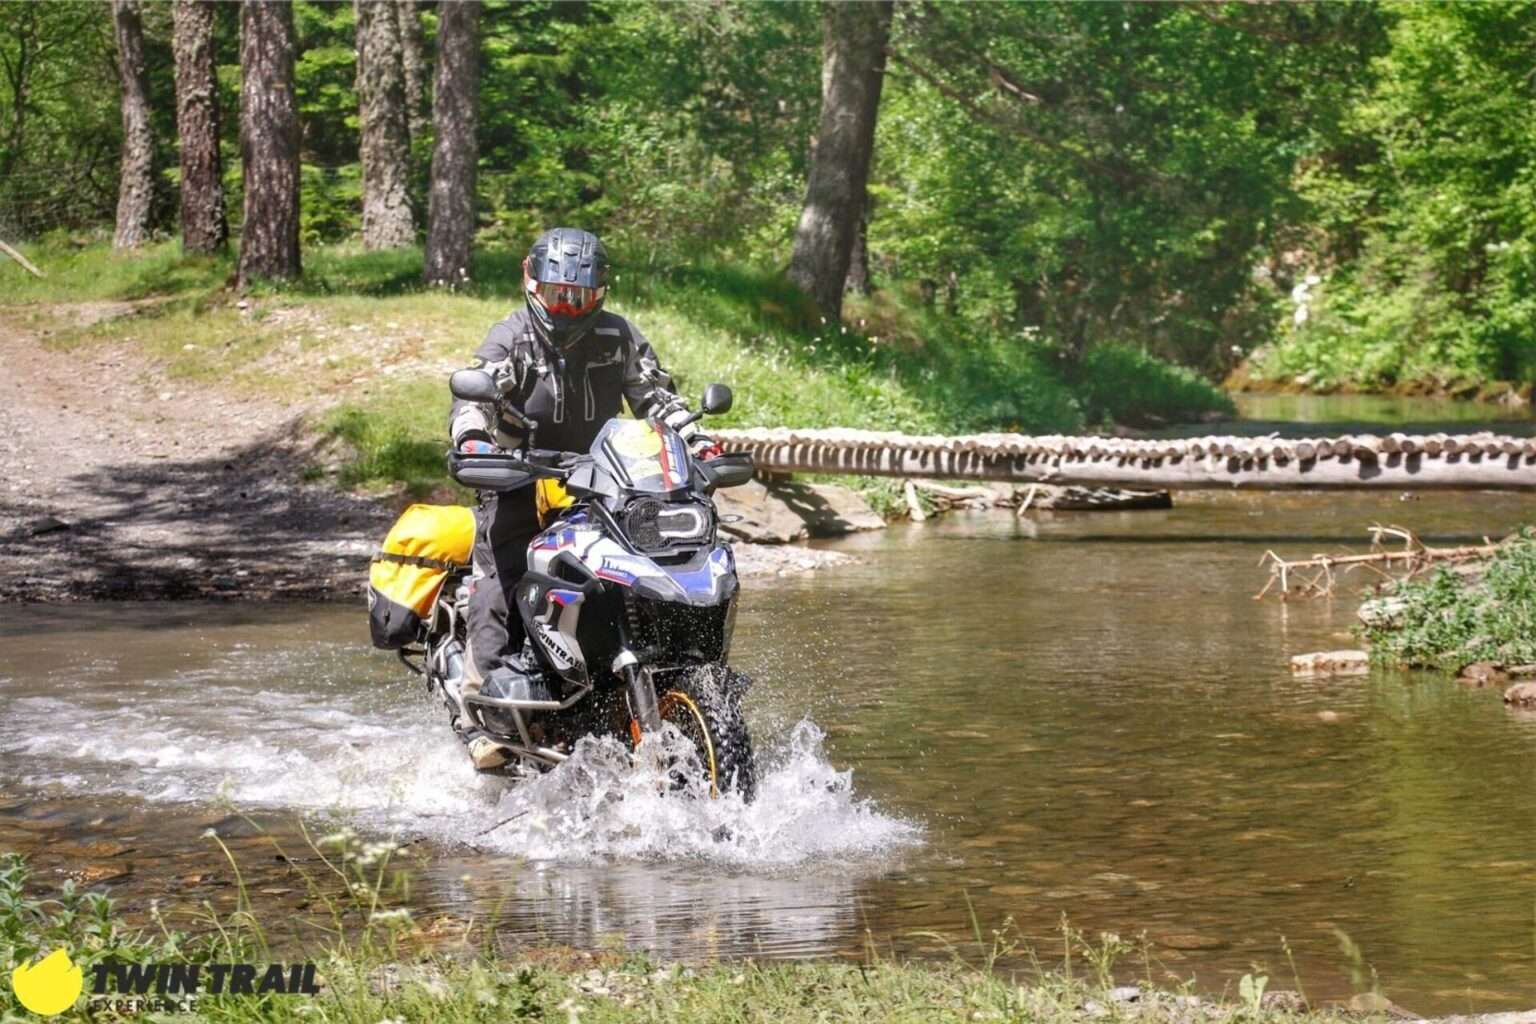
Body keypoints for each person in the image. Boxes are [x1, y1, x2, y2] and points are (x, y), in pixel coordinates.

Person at [447, 227, 699, 769]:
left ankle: (616, 679)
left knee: (634, 571)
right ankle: (479, 715)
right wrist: (472, 441)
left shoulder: (618, 338)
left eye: (580, 297)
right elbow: (474, 396)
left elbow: (658, 400)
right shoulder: (512, 337)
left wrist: (696, 439)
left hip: (604, 480)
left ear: (600, 293)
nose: (568, 307)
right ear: (530, 280)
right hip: (518, 475)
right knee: (502, 570)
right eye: (559, 294)